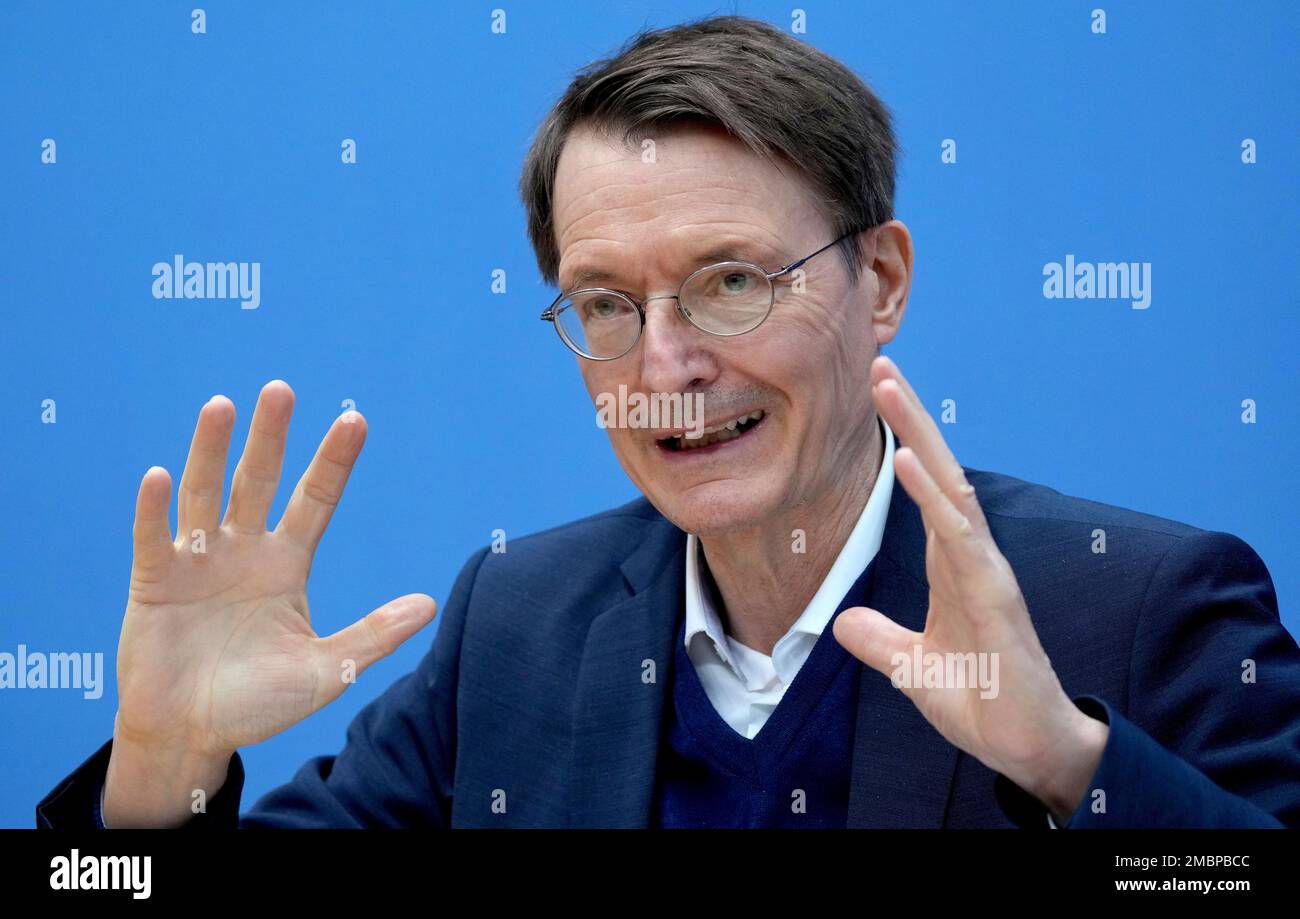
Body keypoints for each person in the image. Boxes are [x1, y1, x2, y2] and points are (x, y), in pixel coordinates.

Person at [37, 15, 1300, 829]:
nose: (665, 365)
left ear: (886, 283)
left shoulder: (1137, 606)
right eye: (603, 304)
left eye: (731, 282)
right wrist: (159, 775)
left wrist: (1072, 766)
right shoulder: (516, 629)